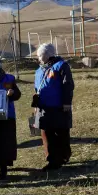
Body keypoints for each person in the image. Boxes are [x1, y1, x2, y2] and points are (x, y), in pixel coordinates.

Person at [32, 43, 74, 172]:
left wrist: (67, 103)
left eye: (40, 55)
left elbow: (68, 85)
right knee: (46, 134)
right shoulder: (38, 70)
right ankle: (52, 160)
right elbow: (36, 88)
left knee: (61, 132)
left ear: (48, 55)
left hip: (59, 106)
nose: (38, 58)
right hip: (43, 108)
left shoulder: (61, 66)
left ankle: (63, 156)